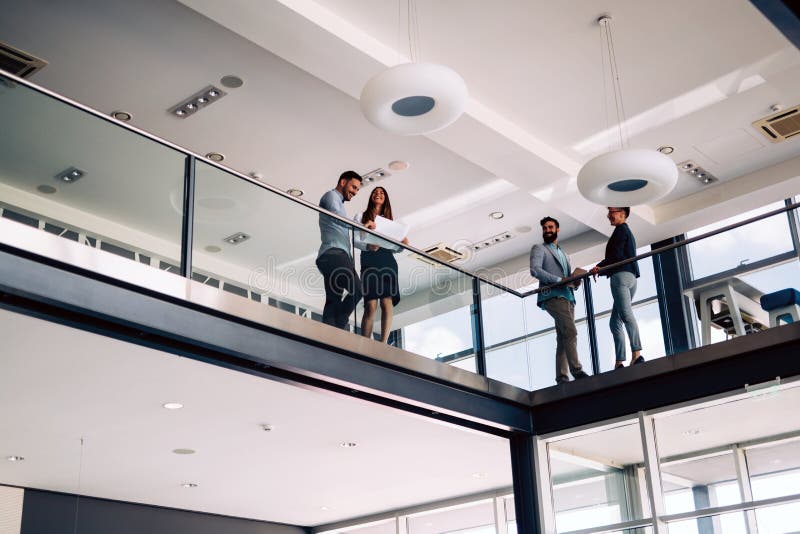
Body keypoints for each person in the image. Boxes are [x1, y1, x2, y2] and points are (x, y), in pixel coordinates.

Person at [530, 216, 590, 384]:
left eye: (550, 227)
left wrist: (575, 281)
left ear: (557, 230)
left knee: (563, 336)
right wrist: (558, 280)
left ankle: (561, 376)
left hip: (568, 296)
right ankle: (576, 370)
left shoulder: (564, 254)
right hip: (552, 296)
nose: (547, 230)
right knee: (571, 332)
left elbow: (567, 278)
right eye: (545, 228)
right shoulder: (539, 249)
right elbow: (535, 270)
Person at [590, 207, 644, 368]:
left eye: (611, 212)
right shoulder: (625, 231)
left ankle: (637, 354)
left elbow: (616, 256)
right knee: (615, 322)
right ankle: (619, 362)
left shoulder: (621, 230)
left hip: (620, 277)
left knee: (626, 315)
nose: (608, 215)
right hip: (631, 278)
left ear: (622, 214)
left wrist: (599, 267)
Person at [353, 186, 409, 343]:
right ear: (371, 197)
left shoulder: (391, 222)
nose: (378, 194)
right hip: (369, 260)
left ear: (386, 199)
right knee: (370, 304)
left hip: (387, 262)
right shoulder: (360, 216)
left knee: (386, 302)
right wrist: (368, 242)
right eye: (375, 192)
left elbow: (396, 249)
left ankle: (383, 343)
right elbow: (354, 239)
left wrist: (403, 244)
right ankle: (365, 344)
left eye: (382, 193)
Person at [316, 170, 364, 329]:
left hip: (330, 257)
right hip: (335, 255)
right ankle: (340, 323)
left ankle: (329, 334)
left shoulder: (339, 203)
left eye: (357, 189)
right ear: (343, 182)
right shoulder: (331, 197)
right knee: (357, 290)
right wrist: (360, 225)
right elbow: (338, 218)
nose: (355, 192)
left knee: (333, 301)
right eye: (354, 187)